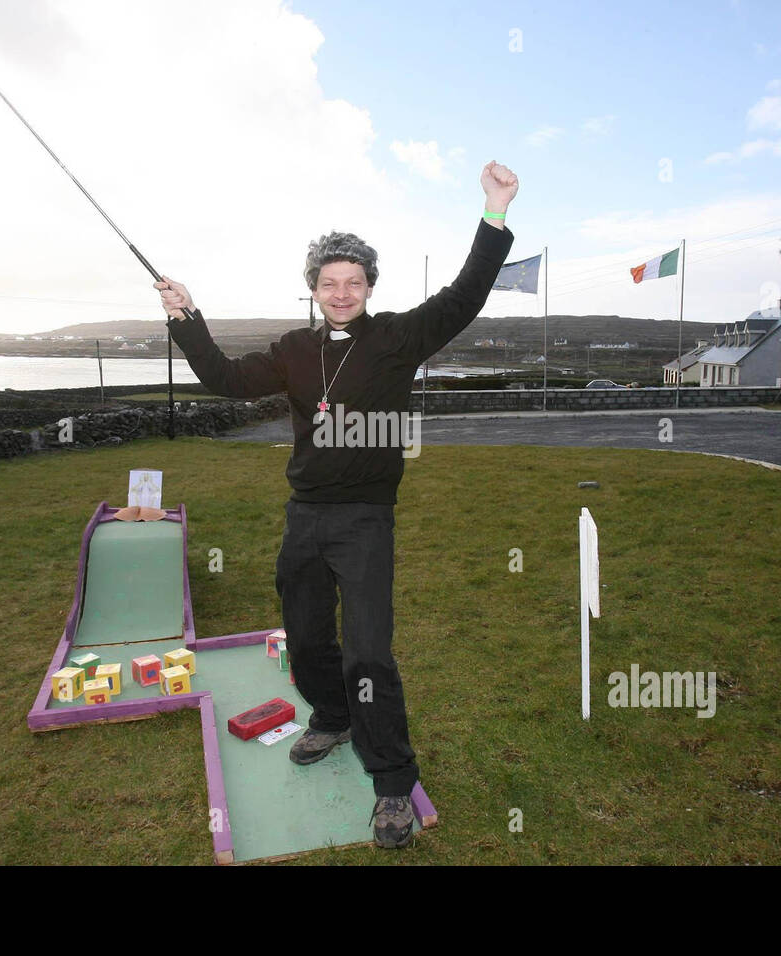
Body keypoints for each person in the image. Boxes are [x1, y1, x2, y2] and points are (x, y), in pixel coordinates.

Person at [156, 160, 518, 848]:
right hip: (305, 516)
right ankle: (330, 716)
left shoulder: (398, 339)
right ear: (314, 291)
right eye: (329, 282)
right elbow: (228, 379)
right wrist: (187, 318)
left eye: (353, 281)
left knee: (370, 656)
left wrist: (494, 212)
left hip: (365, 523)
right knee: (309, 637)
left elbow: (466, 294)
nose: (342, 291)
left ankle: (389, 786)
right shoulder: (296, 350)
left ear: (369, 287)